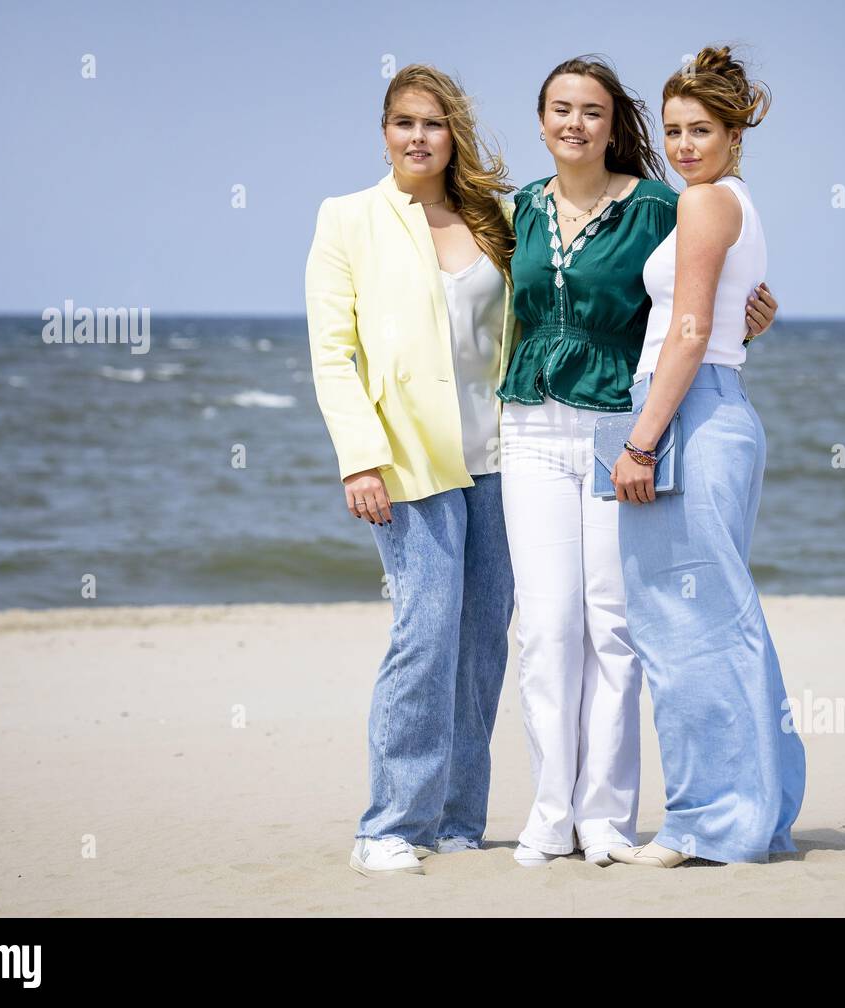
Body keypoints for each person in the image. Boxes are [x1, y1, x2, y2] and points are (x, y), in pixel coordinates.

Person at [497, 54, 779, 867]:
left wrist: (758, 319)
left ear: (614, 122)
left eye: (591, 110)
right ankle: (551, 811)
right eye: (560, 108)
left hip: (619, 425)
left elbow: (712, 299)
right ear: (541, 119)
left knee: (615, 627)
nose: (574, 123)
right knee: (547, 630)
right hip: (527, 428)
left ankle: (606, 820)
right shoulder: (516, 210)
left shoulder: (664, 202)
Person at [304, 64, 519, 877]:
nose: (417, 137)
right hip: (408, 460)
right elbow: (333, 353)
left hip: (502, 459)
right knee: (424, 635)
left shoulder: (492, 218)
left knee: (483, 642)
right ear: (384, 132)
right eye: (403, 122)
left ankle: (458, 817)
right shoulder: (348, 219)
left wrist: (734, 314)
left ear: (452, 132)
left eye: (432, 123)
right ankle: (388, 824)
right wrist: (360, 459)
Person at [607, 46, 806, 868]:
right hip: (718, 406)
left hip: (686, 412)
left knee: (681, 631)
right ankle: (761, 818)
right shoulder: (735, 205)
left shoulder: (704, 206)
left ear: (734, 133)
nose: (684, 144)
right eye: (674, 129)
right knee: (722, 625)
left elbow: (687, 333)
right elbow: (723, 321)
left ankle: (701, 826)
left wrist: (639, 441)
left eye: (702, 130)